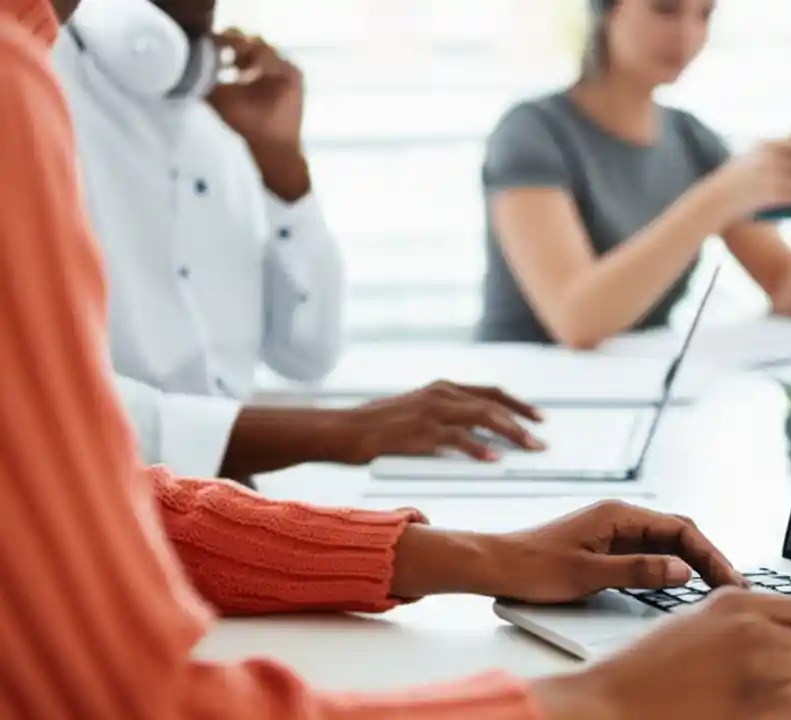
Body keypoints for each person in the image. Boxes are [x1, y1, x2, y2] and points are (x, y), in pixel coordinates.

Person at [0, 1, 791, 717]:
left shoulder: (74, 81)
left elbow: (124, 502)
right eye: (667, 7)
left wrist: (478, 556)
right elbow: (125, 703)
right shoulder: (17, 86)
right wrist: (594, 703)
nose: (687, 33)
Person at [51, 0, 544, 481]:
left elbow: (307, 353)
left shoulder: (217, 124)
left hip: (230, 499)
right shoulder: (40, 101)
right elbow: (59, 408)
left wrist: (283, 169)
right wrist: (343, 431)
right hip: (104, 498)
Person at [480, 0, 791, 349]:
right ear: (608, 10)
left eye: (704, 14)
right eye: (665, 8)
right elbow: (576, 321)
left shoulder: (692, 139)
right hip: (521, 380)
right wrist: (720, 196)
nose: (687, 34)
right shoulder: (532, 132)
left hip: (635, 379)